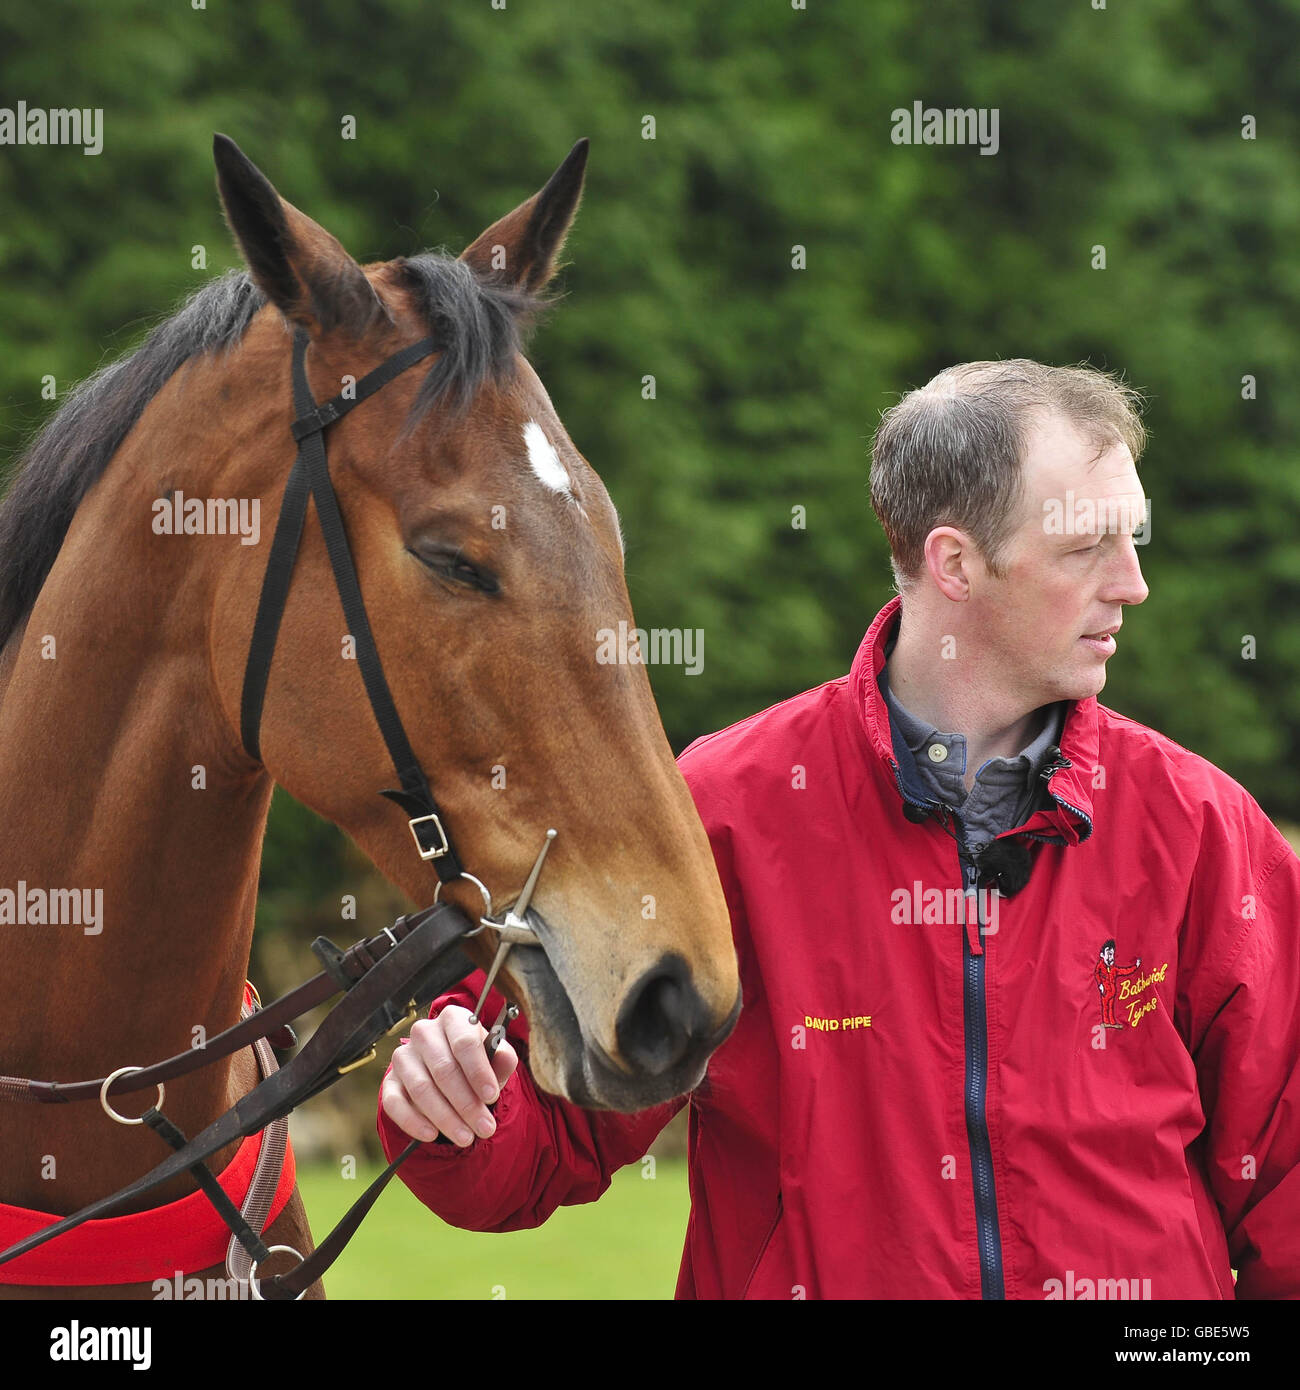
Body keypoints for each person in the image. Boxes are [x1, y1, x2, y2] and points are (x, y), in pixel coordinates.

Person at [377, 359, 1300, 1299]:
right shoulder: (723, 812)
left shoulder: (1205, 830)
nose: (1134, 584)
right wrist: (454, 1108)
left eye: (1132, 539)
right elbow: (549, 1141)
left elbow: (1286, 1181)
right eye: (1087, 547)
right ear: (955, 563)